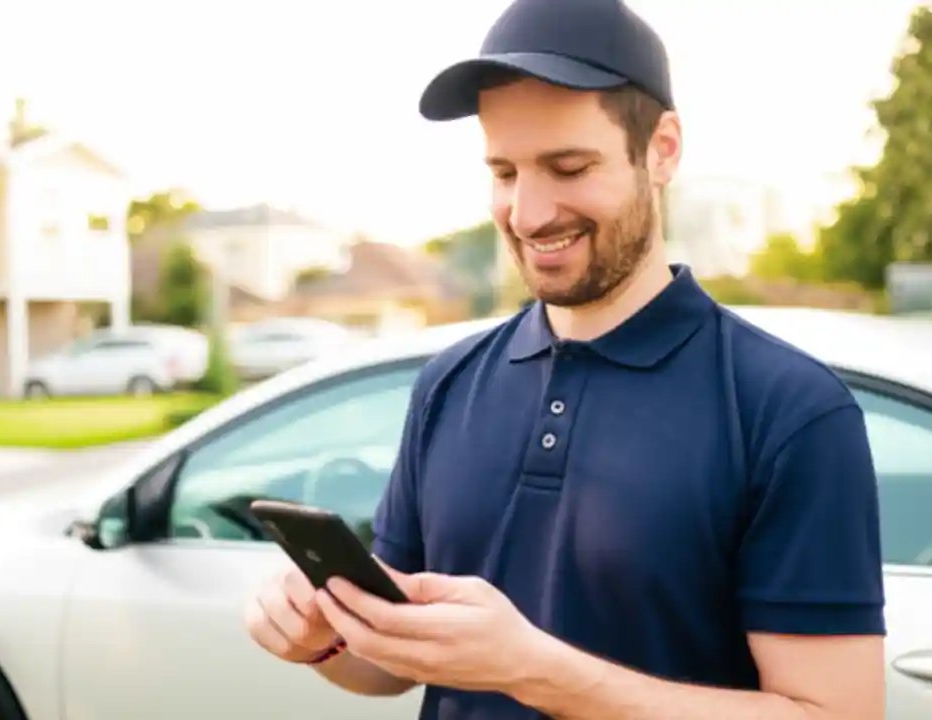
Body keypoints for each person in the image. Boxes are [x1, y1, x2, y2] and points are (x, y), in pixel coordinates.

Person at [245, 0, 887, 717]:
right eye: (505, 172)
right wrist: (323, 639)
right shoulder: (448, 385)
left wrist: (534, 669)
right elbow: (394, 663)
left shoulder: (789, 410)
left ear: (662, 150)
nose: (529, 213)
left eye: (569, 167)